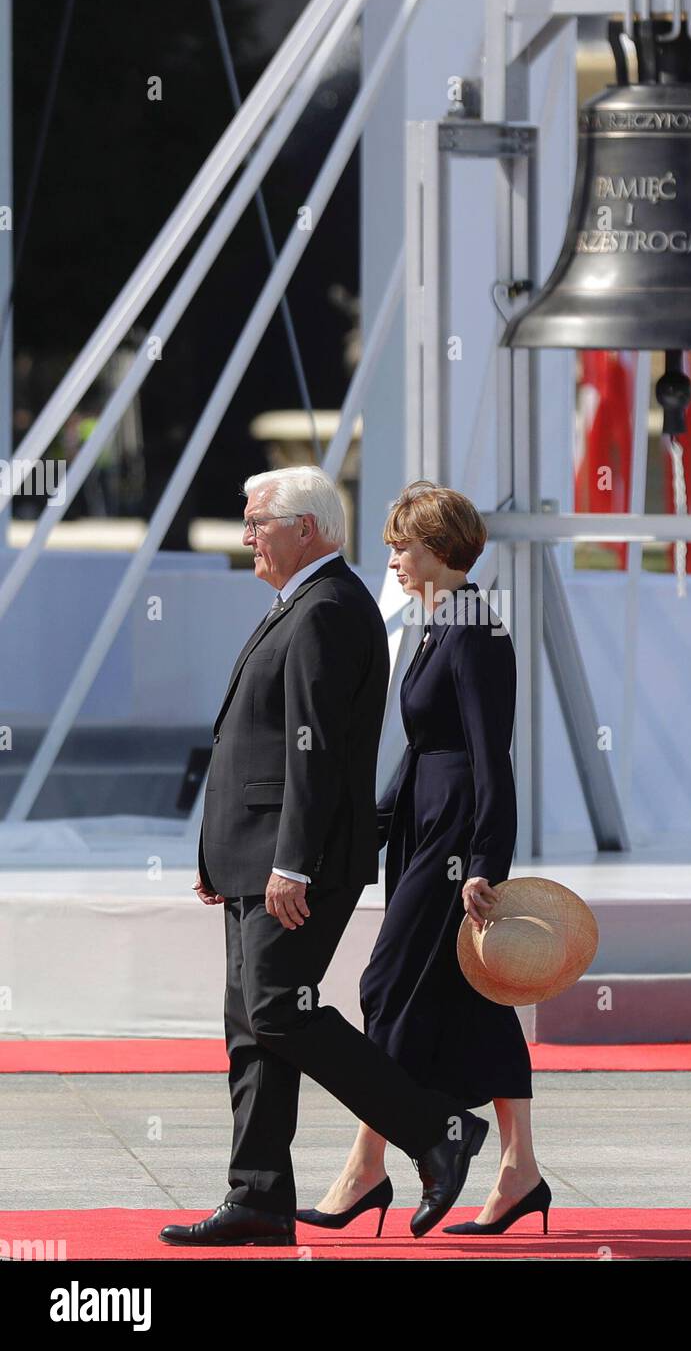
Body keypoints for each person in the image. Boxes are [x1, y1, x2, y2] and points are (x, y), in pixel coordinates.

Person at [159, 467, 488, 1247]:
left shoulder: (328, 609)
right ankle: (259, 1196)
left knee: (278, 1007)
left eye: (255, 522)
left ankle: (437, 1127)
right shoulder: (300, 605)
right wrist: (222, 857)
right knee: (252, 1024)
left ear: (303, 528)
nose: (245, 537)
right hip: (256, 855)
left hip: (295, 861)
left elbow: (316, 753)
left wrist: (293, 863)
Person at [298, 481, 550, 1237]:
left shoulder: (473, 628)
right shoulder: (438, 624)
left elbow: (489, 757)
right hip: (421, 823)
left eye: (403, 544)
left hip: (452, 837)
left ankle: (370, 1162)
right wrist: (370, 826)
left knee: (386, 983)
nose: (393, 557)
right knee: (476, 994)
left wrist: (484, 860)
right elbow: (422, 750)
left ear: (441, 548)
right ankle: (520, 1171)